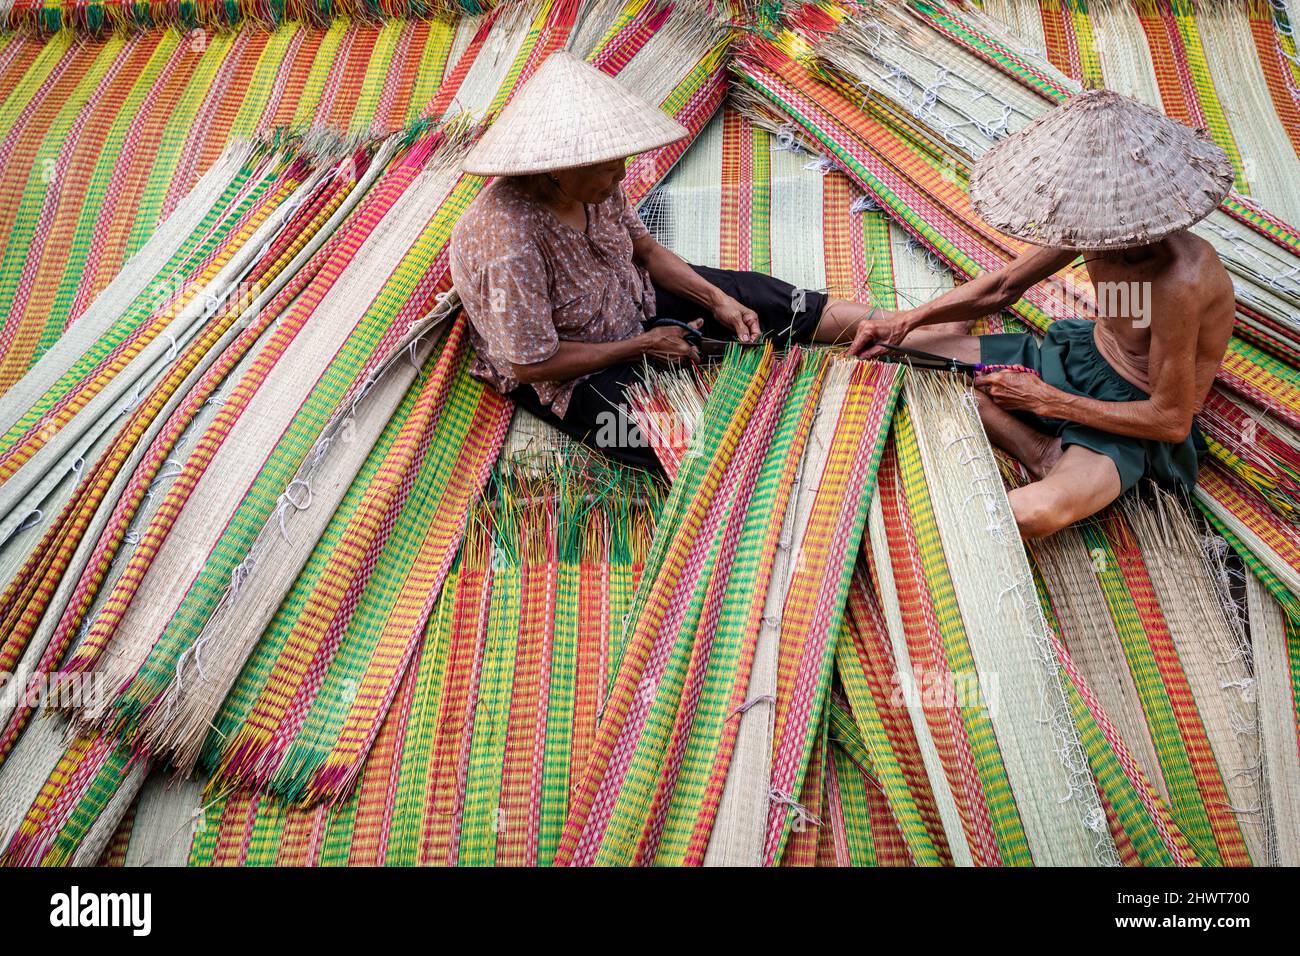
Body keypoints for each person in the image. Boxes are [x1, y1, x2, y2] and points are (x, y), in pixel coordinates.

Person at [450, 51, 878, 470]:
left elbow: (647, 251)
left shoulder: (596, 186)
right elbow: (531, 364)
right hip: (569, 373)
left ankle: (890, 327)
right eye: (609, 166)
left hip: (635, 301)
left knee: (757, 298)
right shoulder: (508, 244)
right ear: (558, 168)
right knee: (684, 442)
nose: (621, 175)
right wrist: (642, 347)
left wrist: (715, 300)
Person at [849, 89, 1237, 538]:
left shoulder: (1180, 281)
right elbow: (1004, 286)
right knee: (882, 343)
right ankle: (1040, 448)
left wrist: (1043, 399)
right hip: (1076, 360)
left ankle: (1044, 447)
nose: (1091, 233)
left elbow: (1171, 420)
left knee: (1028, 514)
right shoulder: (1096, 220)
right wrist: (910, 319)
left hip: (1132, 416)